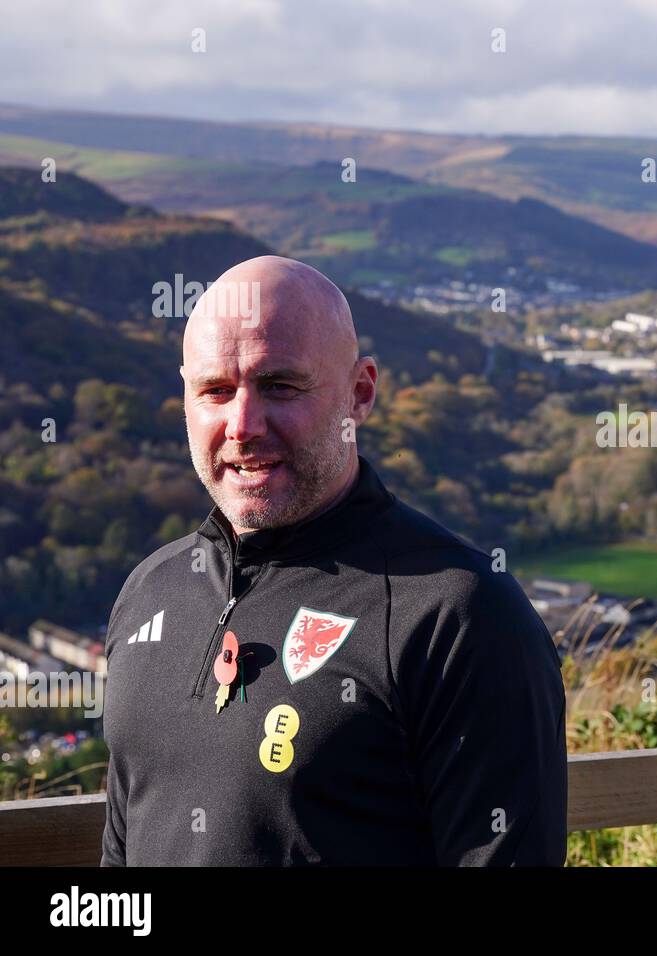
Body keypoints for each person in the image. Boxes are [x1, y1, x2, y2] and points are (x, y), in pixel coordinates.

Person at [100, 255, 568, 865]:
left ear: (360, 393)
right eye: (216, 391)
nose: (242, 424)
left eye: (280, 386)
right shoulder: (149, 591)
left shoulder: (460, 615)